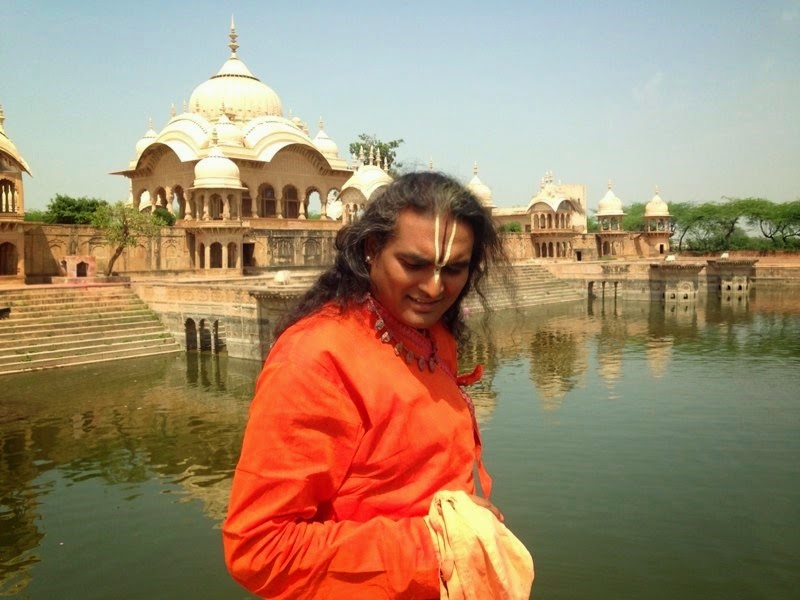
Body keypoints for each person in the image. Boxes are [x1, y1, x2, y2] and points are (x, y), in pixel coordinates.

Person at [223, 171, 524, 598]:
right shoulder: (317, 359)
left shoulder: (431, 335)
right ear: (371, 250)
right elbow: (261, 549)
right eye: (414, 264)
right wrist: (436, 544)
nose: (435, 287)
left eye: (454, 269)